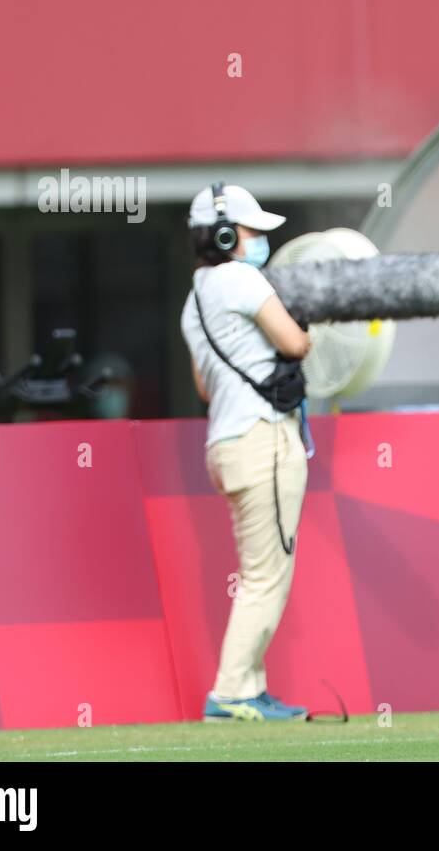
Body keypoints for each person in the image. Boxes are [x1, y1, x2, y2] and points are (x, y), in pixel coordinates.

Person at [181, 183, 314, 722]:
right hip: (264, 437)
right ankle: (233, 691)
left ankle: (251, 689)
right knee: (266, 573)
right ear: (225, 233)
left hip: (226, 443)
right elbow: (295, 343)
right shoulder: (240, 277)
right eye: (252, 229)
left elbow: (204, 387)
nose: (260, 238)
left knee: (256, 568)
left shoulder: (194, 298)